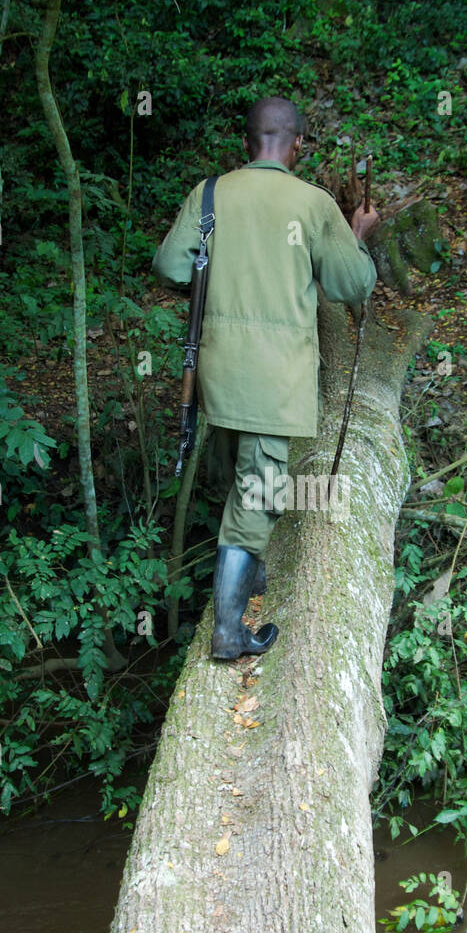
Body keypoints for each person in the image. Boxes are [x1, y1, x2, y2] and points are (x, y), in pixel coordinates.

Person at [153, 96, 379, 659]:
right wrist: (357, 234)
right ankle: (229, 633)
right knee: (261, 493)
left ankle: (245, 573)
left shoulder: (209, 194)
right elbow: (354, 284)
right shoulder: (314, 203)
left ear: (247, 142)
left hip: (216, 373)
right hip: (274, 382)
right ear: (297, 144)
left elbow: (171, 266)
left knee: (237, 471)